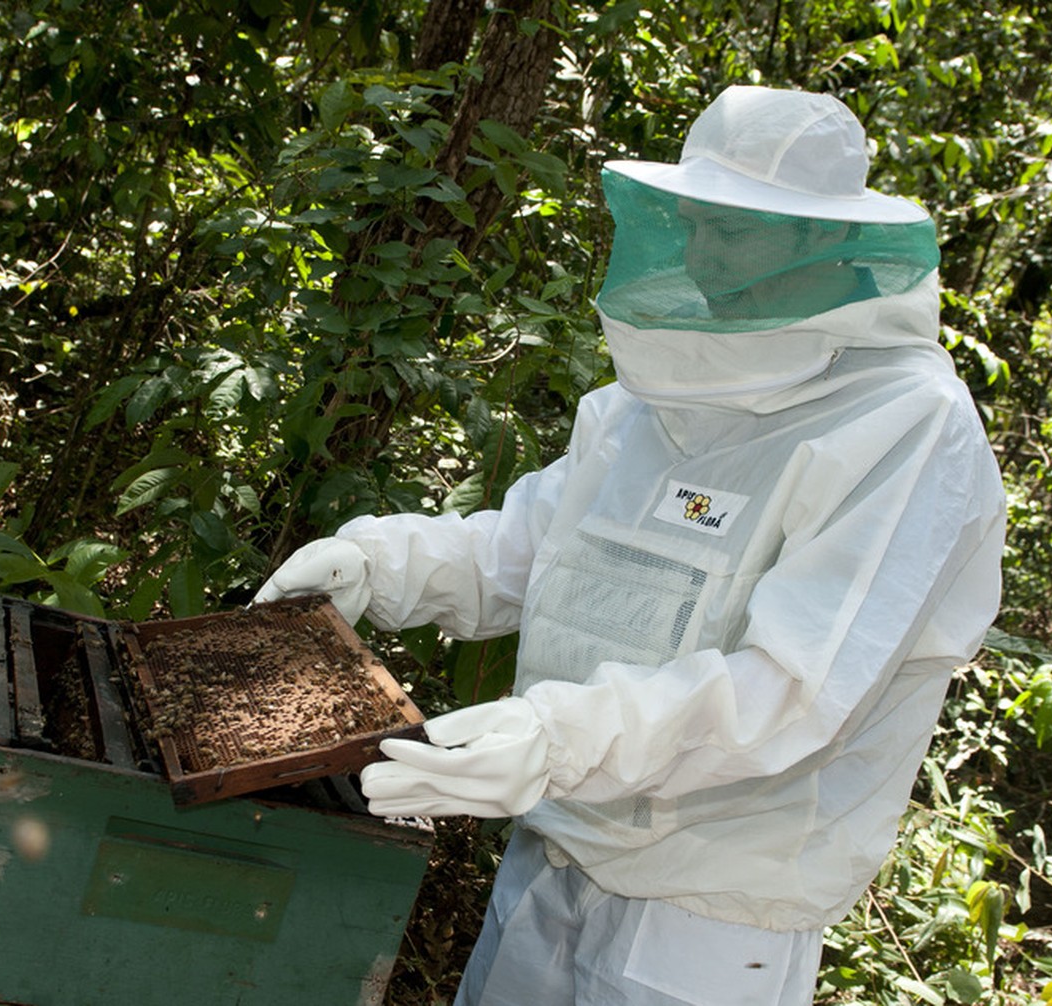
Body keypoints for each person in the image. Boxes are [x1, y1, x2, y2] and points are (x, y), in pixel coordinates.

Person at [255, 85, 1006, 1006]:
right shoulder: (659, 395)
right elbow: (534, 554)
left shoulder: (904, 425)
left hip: (711, 914)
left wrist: (555, 735)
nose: (696, 250)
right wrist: (380, 561)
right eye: (689, 219)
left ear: (821, 236)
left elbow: (793, 690)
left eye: (729, 226)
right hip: (550, 855)